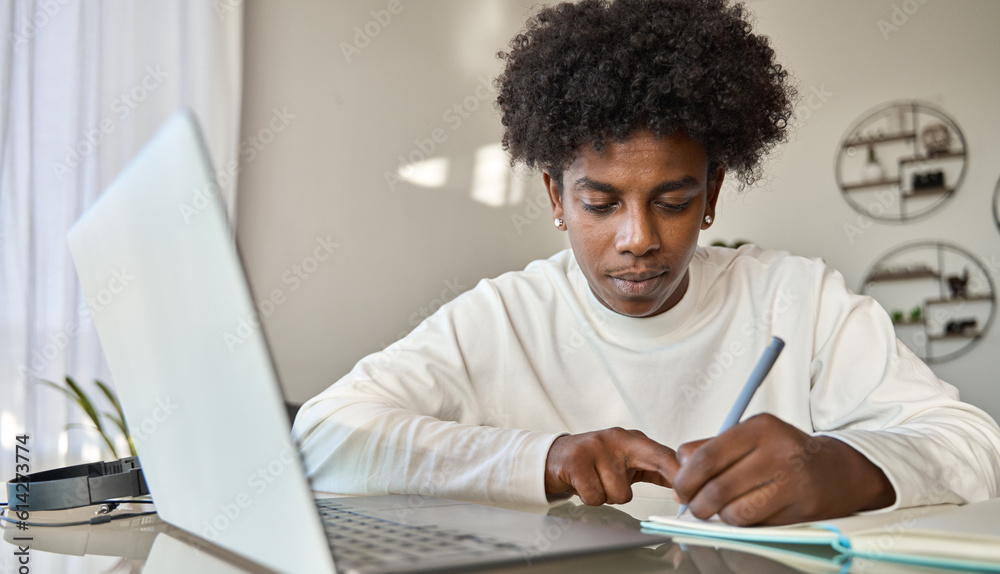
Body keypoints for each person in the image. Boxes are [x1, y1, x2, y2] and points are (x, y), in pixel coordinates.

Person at [293, 0, 1000, 525]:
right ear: (556, 197)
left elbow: (975, 447)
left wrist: (842, 469)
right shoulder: (504, 315)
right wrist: (547, 458)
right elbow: (323, 439)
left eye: (672, 199)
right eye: (601, 203)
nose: (638, 238)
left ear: (713, 193)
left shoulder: (798, 299)